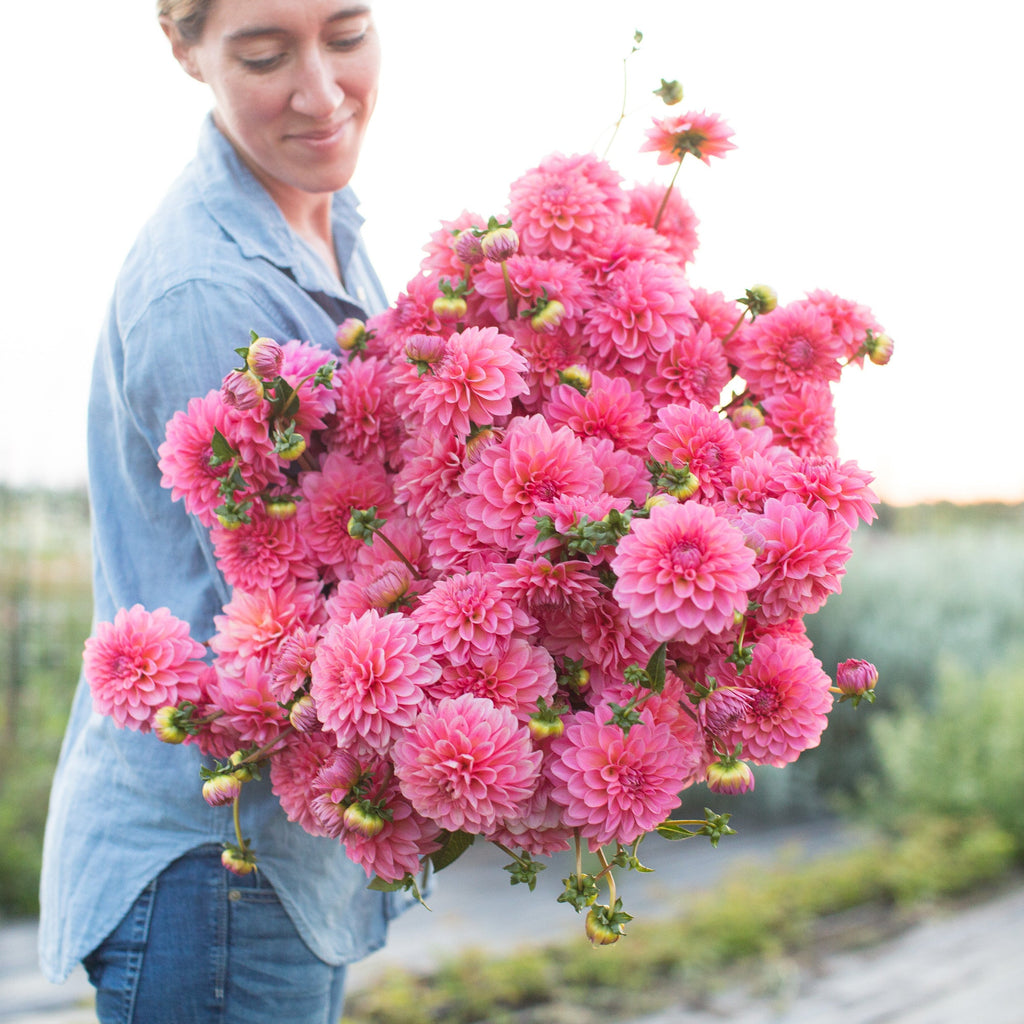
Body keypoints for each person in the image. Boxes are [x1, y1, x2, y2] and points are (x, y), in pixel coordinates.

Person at [38, 3, 397, 1021]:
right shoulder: (207, 292)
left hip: (272, 856)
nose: (322, 92)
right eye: (264, 53)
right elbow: (298, 620)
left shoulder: (320, 213)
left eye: (345, 32)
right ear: (185, 48)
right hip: (215, 867)